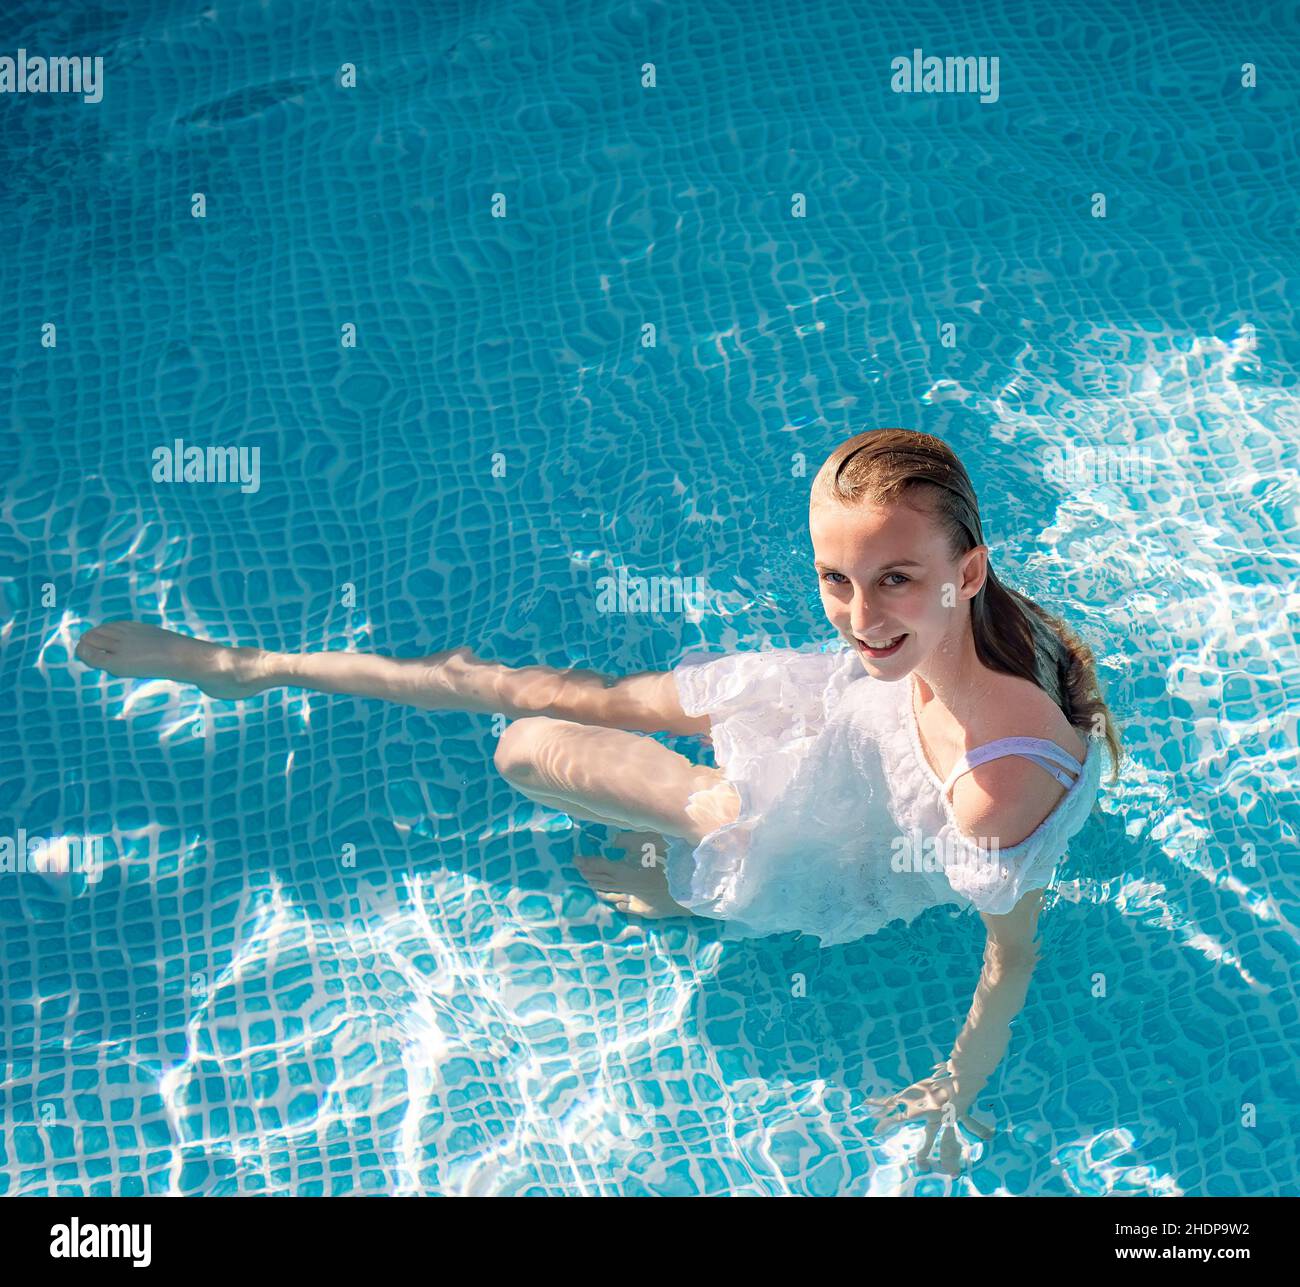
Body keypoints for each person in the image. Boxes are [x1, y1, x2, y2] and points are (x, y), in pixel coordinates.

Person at [74, 427, 1121, 1173]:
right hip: (834, 722)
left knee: (544, 760)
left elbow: (1010, 953)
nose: (857, 614)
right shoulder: (958, 634)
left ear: (966, 568)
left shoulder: (995, 787)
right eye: (835, 580)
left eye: (894, 578)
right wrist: (247, 657)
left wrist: (956, 1090)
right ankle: (252, 668)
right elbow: (880, 663)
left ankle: (681, 891)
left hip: (839, 844)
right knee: (575, 706)